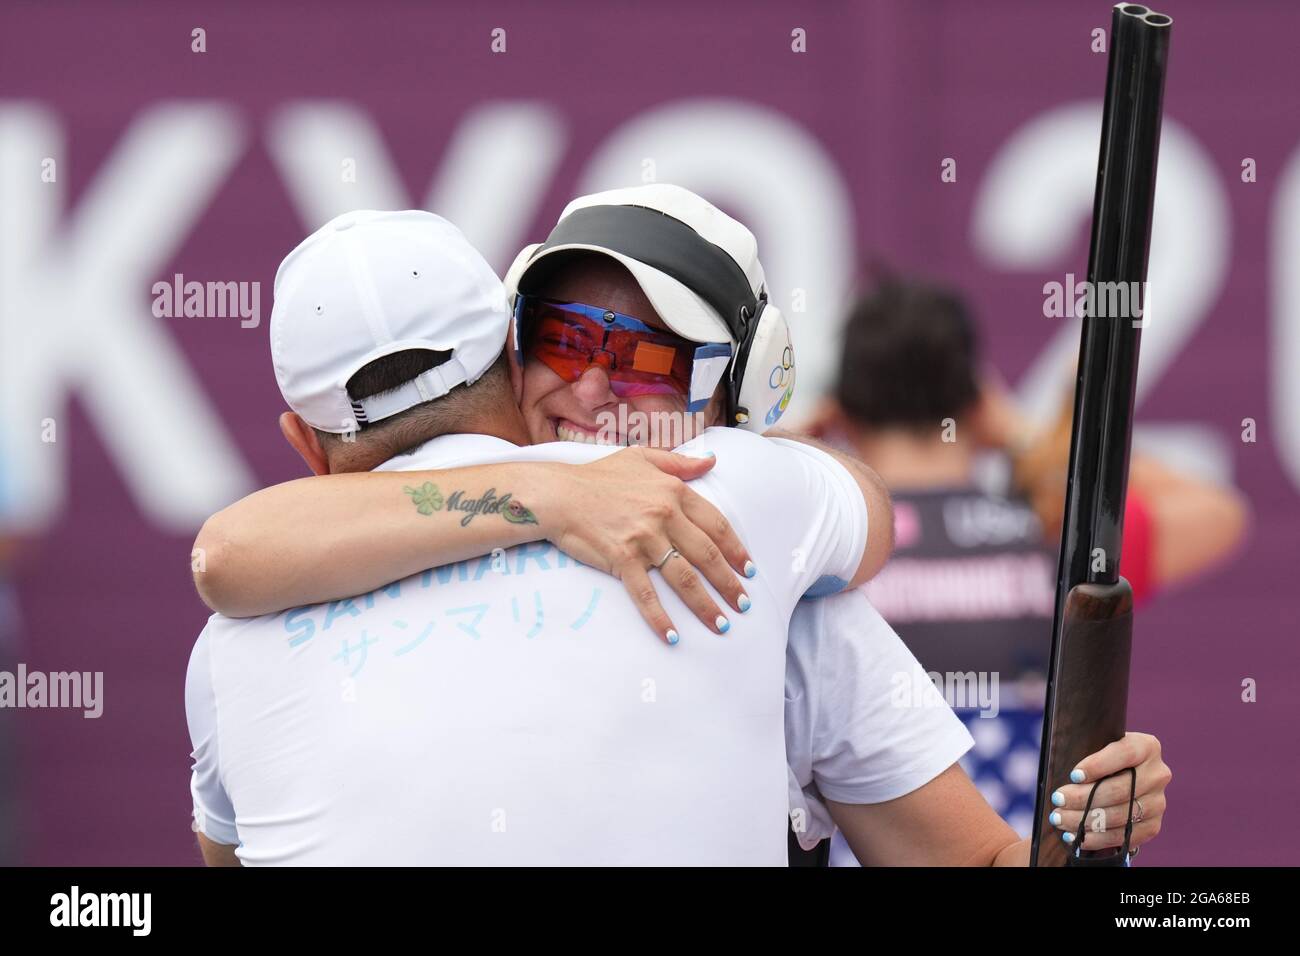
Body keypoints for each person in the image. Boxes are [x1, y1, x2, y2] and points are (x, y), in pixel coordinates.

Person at [192, 189, 1170, 865]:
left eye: (649, 361)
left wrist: (1084, 836)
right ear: (509, 353)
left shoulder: (238, 633)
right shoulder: (748, 506)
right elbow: (228, 553)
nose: (590, 391)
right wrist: (551, 494)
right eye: (565, 337)